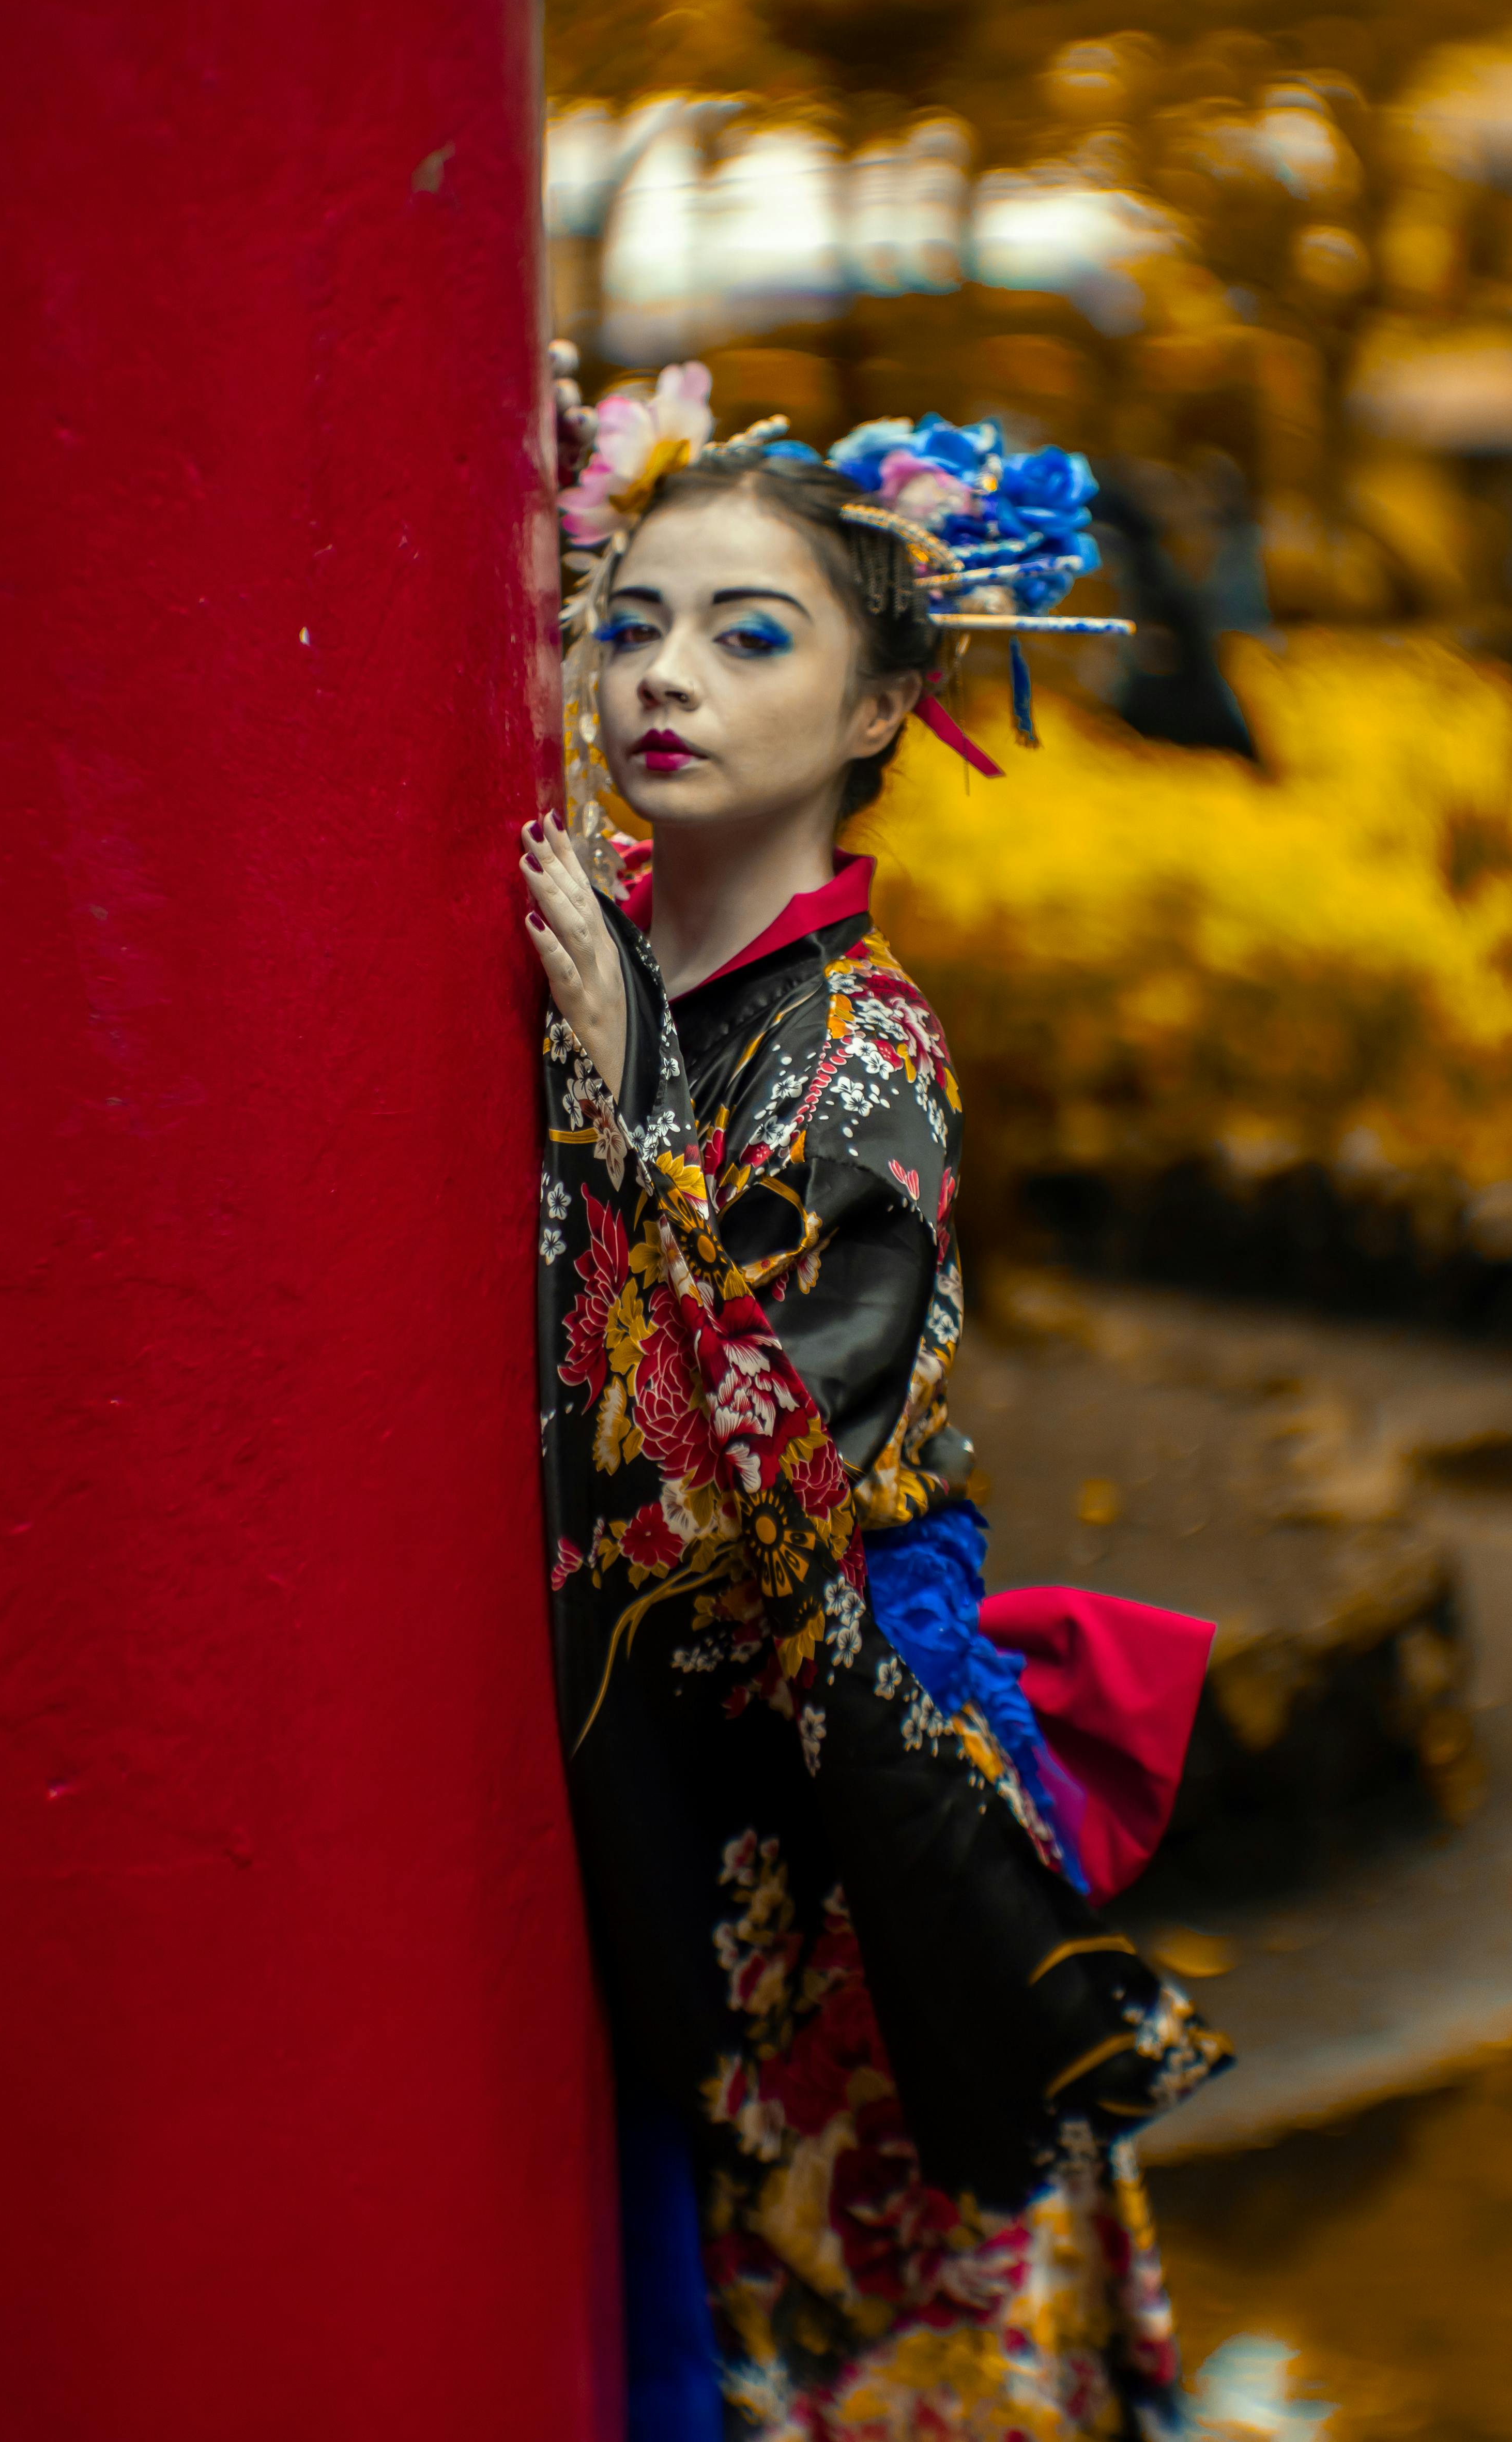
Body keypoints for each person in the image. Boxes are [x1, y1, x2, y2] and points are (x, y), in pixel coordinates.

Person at [523, 366, 1233, 2440]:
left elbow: (770, 1464)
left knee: (894, 2336)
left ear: (869, 713)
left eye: (751, 633)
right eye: (630, 617)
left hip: (834, 1764)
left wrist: (630, 1091)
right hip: (681, 1752)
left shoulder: (859, 1051)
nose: (666, 673)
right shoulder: (618, 940)